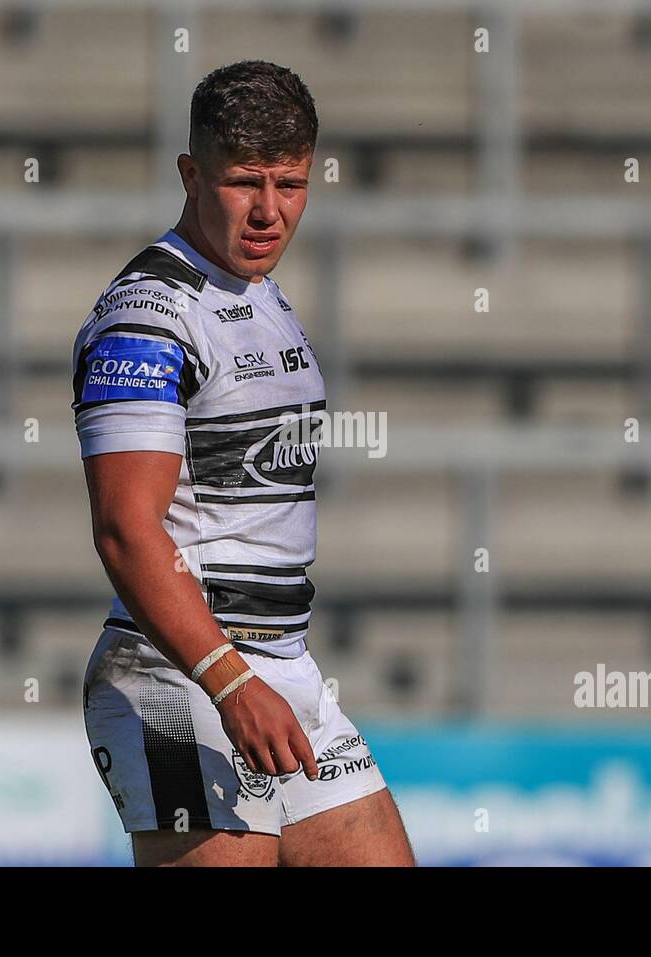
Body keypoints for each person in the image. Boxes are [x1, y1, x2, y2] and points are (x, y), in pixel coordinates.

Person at [72, 59, 415, 867]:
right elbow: (125, 528)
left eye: (291, 184)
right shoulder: (149, 315)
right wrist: (229, 682)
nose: (269, 211)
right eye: (244, 183)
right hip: (179, 677)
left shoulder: (258, 291)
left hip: (282, 665)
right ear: (192, 174)